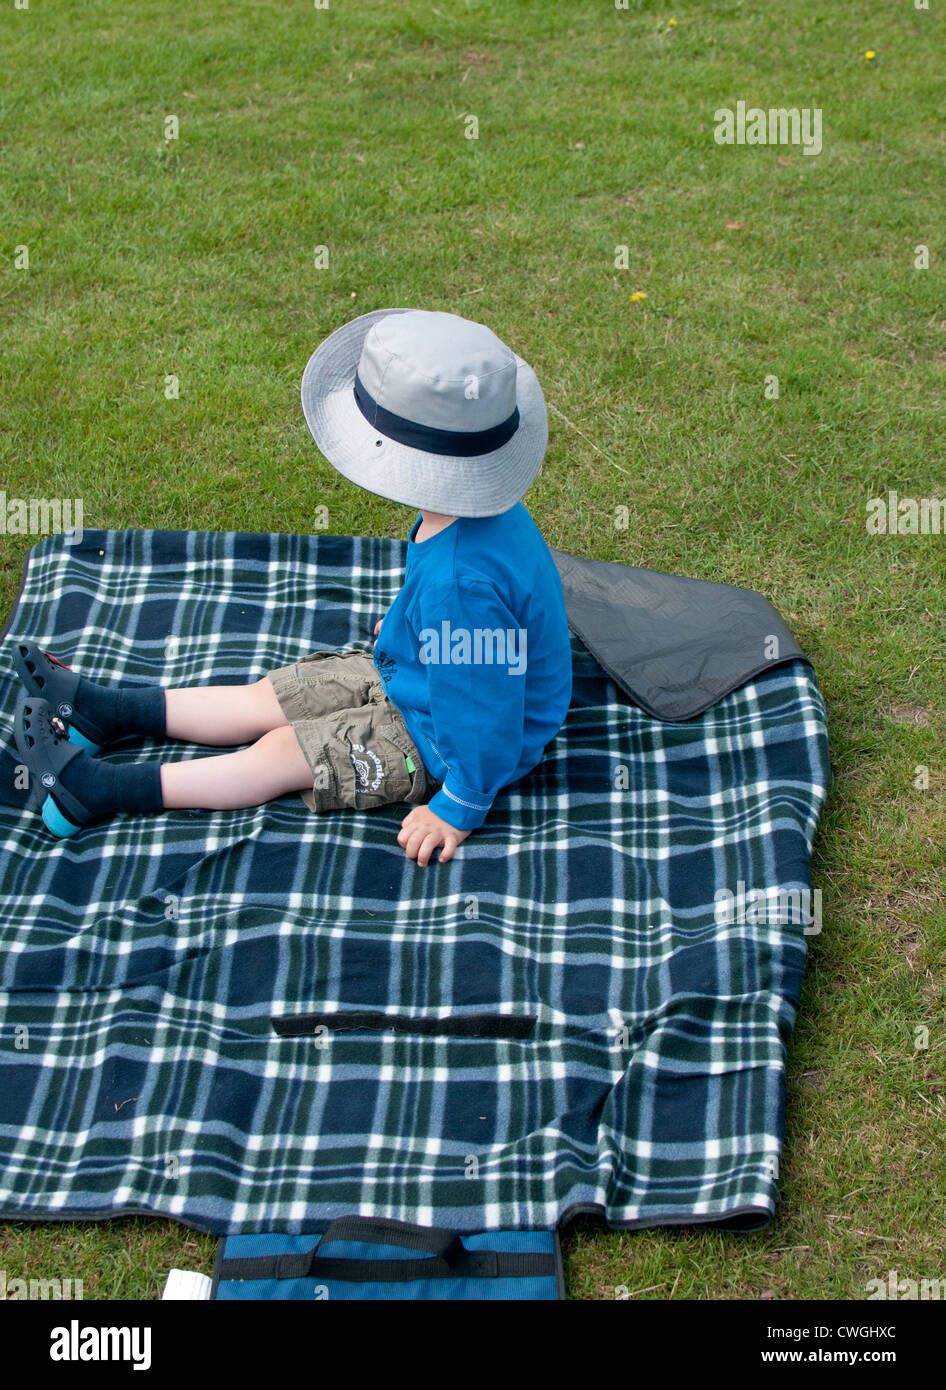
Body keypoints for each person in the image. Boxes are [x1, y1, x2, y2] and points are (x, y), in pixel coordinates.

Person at [11, 308, 573, 866]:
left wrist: (460, 804)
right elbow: (467, 632)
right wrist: (416, 631)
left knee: (279, 754)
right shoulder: (469, 511)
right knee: (267, 698)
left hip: (446, 742)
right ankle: (103, 712)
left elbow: (481, 710)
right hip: (423, 673)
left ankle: (94, 791)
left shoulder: (460, 585)